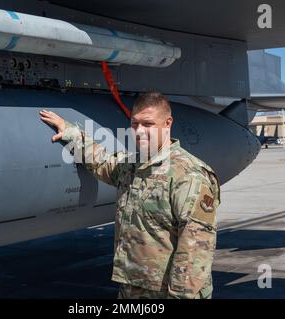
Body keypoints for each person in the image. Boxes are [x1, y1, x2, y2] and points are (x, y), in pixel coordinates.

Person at [39, 92, 220, 299]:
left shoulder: (188, 175)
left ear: (167, 123)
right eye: (135, 124)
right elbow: (102, 161)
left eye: (148, 124)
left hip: (167, 292)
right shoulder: (132, 166)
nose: (140, 131)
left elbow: (196, 250)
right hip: (133, 287)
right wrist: (71, 132)